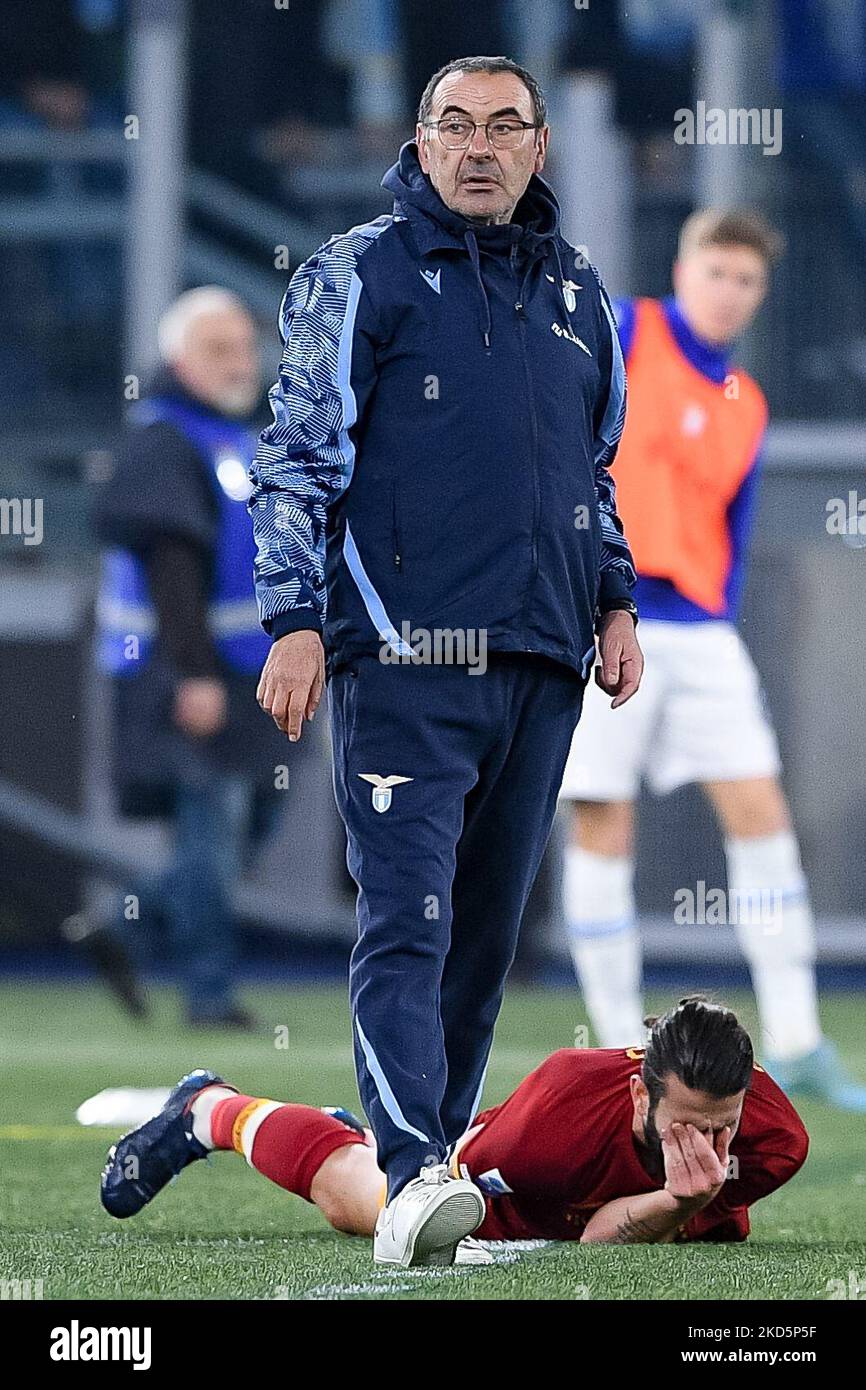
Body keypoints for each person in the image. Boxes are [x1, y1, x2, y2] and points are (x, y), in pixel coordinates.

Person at [250, 55, 643, 1264]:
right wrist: (293, 619)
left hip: (541, 655)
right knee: (408, 920)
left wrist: (615, 598)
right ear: (418, 143)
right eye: (453, 126)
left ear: (539, 149)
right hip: (406, 656)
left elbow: (592, 472)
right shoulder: (356, 270)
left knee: (482, 938)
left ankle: (441, 1167)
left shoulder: (581, 294)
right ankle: (411, 1168)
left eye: (503, 127)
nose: (478, 147)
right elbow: (296, 455)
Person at [558, 210, 866, 1111]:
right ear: (683, 268)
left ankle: (801, 1040)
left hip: (698, 629)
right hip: (609, 616)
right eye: (715, 271)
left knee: (762, 817)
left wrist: (715, 617)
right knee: (601, 823)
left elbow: (730, 534)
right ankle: (619, 1048)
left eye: (746, 280)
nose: (728, 292)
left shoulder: (749, 402)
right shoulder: (624, 329)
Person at [100, 996, 809, 1257]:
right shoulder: (557, 1113)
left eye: (723, 1127)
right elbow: (597, 1238)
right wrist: (679, 1201)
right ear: (636, 1094)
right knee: (365, 1203)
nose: (709, 1145)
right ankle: (209, 1109)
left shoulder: (775, 1139)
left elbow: (644, 1222)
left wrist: (677, 1201)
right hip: (510, 1181)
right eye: (685, 1125)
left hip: (592, 1192)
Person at [94, 287, 288, 1030]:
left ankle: (124, 923)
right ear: (179, 357)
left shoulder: (229, 436)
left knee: (239, 833)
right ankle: (208, 994)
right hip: (185, 670)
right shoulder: (164, 440)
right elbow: (173, 569)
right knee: (212, 827)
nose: (240, 363)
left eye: (244, 346)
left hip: (244, 672)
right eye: (218, 349)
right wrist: (195, 673)